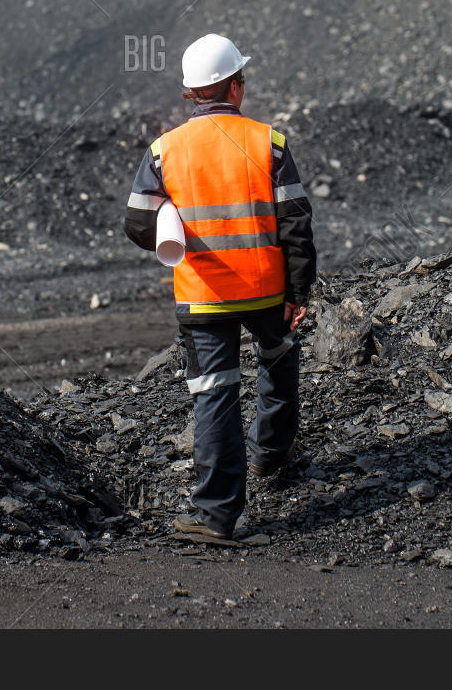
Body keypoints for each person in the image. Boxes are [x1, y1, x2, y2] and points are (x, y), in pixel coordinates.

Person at [123, 33, 317, 543]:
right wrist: (299, 292)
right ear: (233, 88)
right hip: (266, 293)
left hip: (202, 297)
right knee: (278, 363)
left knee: (214, 395)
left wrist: (171, 216)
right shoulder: (267, 143)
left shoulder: (164, 151)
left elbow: (138, 226)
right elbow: (296, 223)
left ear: (192, 94)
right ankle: (272, 458)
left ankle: (217, 516)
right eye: (242, 79)